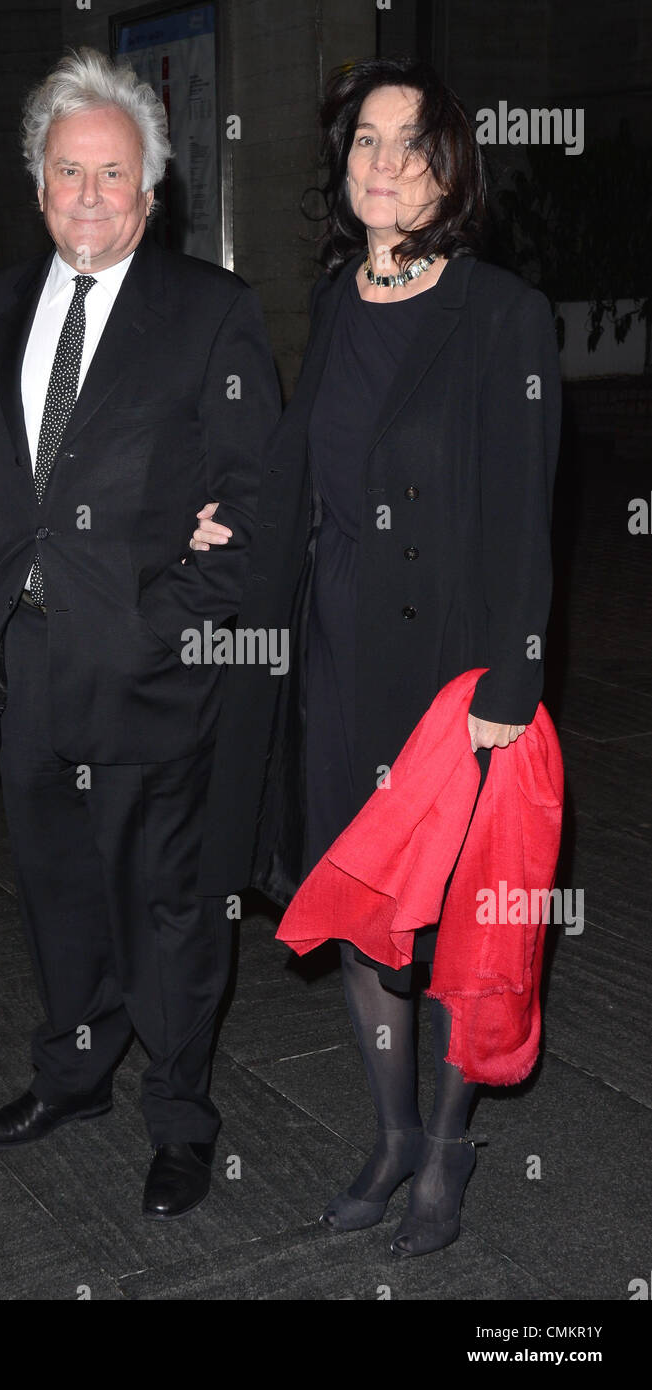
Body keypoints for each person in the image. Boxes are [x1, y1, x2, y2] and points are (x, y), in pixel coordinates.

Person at [191, 57, 561, 1255]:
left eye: (411, 143)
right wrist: (229, 524)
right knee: (364, 910)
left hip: (453, 671)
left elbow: (525, 507)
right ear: (340, 164)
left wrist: (514, 676)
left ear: (449, 169)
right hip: (342, 647)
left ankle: (448, 1149)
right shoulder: (338, 296)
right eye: (364, 141)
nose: (384, 163)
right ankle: (393, 1130)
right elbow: (309, 474)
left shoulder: (500, 310)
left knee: (454, 917)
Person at [0, 48, 279, 1219]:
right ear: (38, 183)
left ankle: (182, 1121)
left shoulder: (209, 313)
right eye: (66, 171)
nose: (88, 196)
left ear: (153, 190)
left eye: (113, 175)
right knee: (56, 892)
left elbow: (252, 501)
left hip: (145, 672)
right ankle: (74, 1076)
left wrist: (164, 626)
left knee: (168, 909)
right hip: (28, 665)